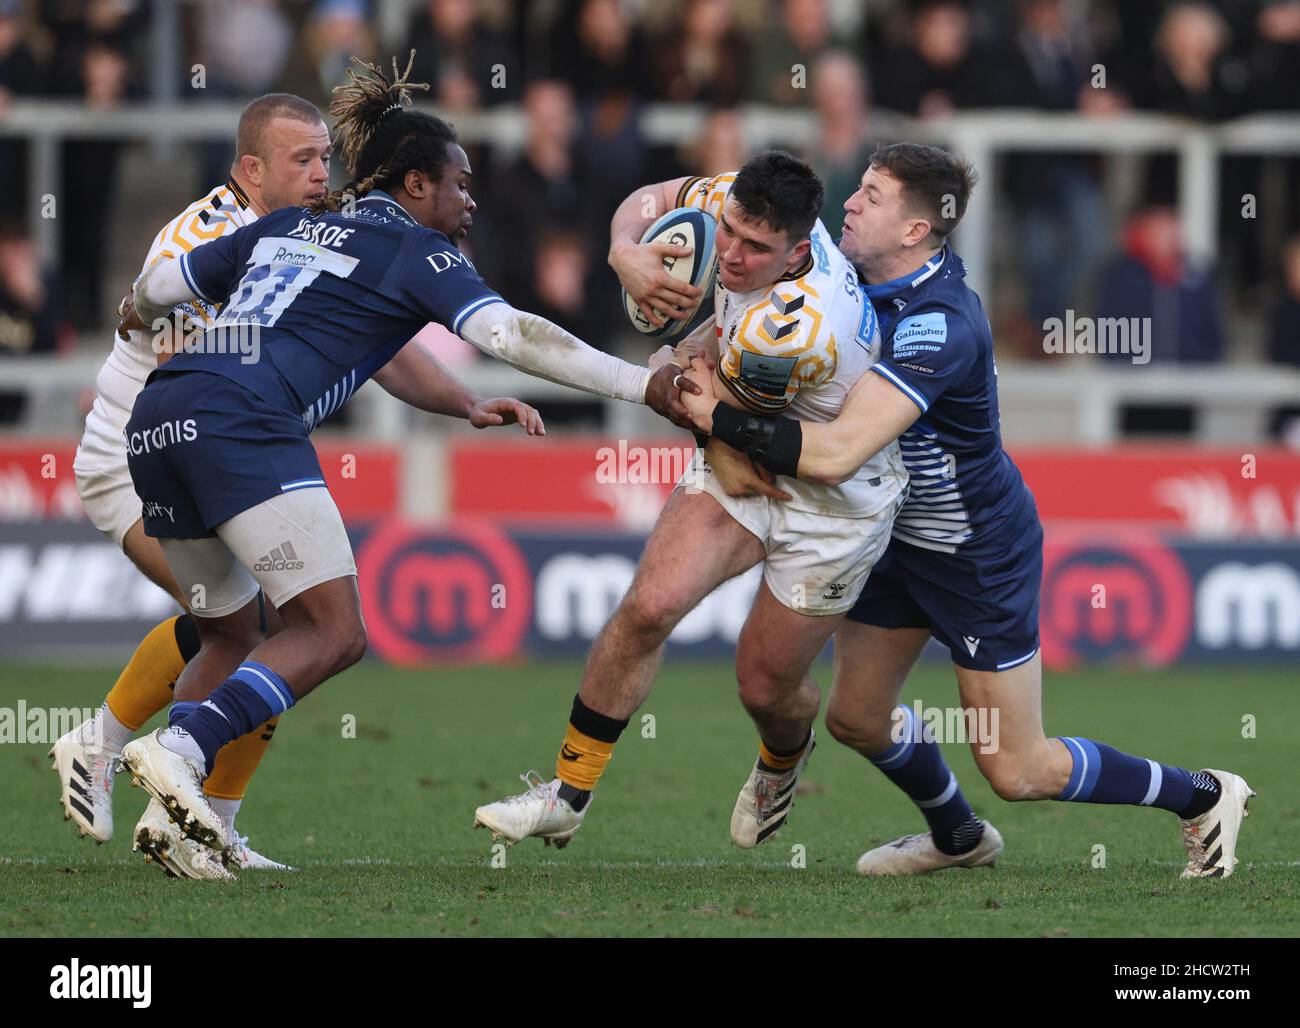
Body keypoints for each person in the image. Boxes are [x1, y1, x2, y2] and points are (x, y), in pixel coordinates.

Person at [114, 54, 689, 872]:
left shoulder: (282, 226)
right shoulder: (417, 253)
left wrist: (134, 307)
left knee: (232, 632)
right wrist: (646, 384)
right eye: (458, 184)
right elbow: (514, 336)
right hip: (244, 423)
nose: (469, 200)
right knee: (334, 632)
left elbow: (163, 282)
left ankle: (180, 826)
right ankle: (185, 746)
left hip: (163, 416)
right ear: (415, 185)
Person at [680, 142, 1255, 880]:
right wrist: (640, 266)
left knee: (1019, 770)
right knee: (855, 717)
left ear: (917, 230)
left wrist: (717, 419)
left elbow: (836, 452)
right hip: (890, 537)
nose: (850, 203)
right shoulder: (837, 267)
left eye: (874, 196)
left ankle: (1203, 794)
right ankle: (958, 837)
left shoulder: (940, 322)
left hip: (972, 551)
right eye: (858, 189)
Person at [54, 90, 544, 881]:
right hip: (136, 461)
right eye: (302, 161)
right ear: (251, 169)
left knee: (265, 626)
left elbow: (368, 340)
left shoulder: (295, 234)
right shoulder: (206, 236)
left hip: (210, 449)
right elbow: (207, 351)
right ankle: (119, 754)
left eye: (326, 157)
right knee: (260, 629)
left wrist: (461, 401)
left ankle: (198, 814)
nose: (322, 175)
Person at [472, 151, 906, 850]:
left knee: (764, 689)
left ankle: (781, 760)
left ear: (797, 249)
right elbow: (651, 194)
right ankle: (566, 792)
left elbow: (715, 415)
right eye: (728, 231)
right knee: (647, 606)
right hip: (746, 453)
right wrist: (625, 254)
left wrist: (668, 362)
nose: (730, 256)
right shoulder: (744, 204)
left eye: (755, 249)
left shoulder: (797, 328)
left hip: (833, 501)